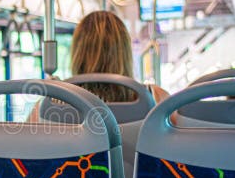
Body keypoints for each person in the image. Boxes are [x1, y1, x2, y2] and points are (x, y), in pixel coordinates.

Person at [30, 11, 168, 121]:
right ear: (125, 53)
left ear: (78, 54)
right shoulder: (155, 98)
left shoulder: (52, 102)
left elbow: (28, 146)